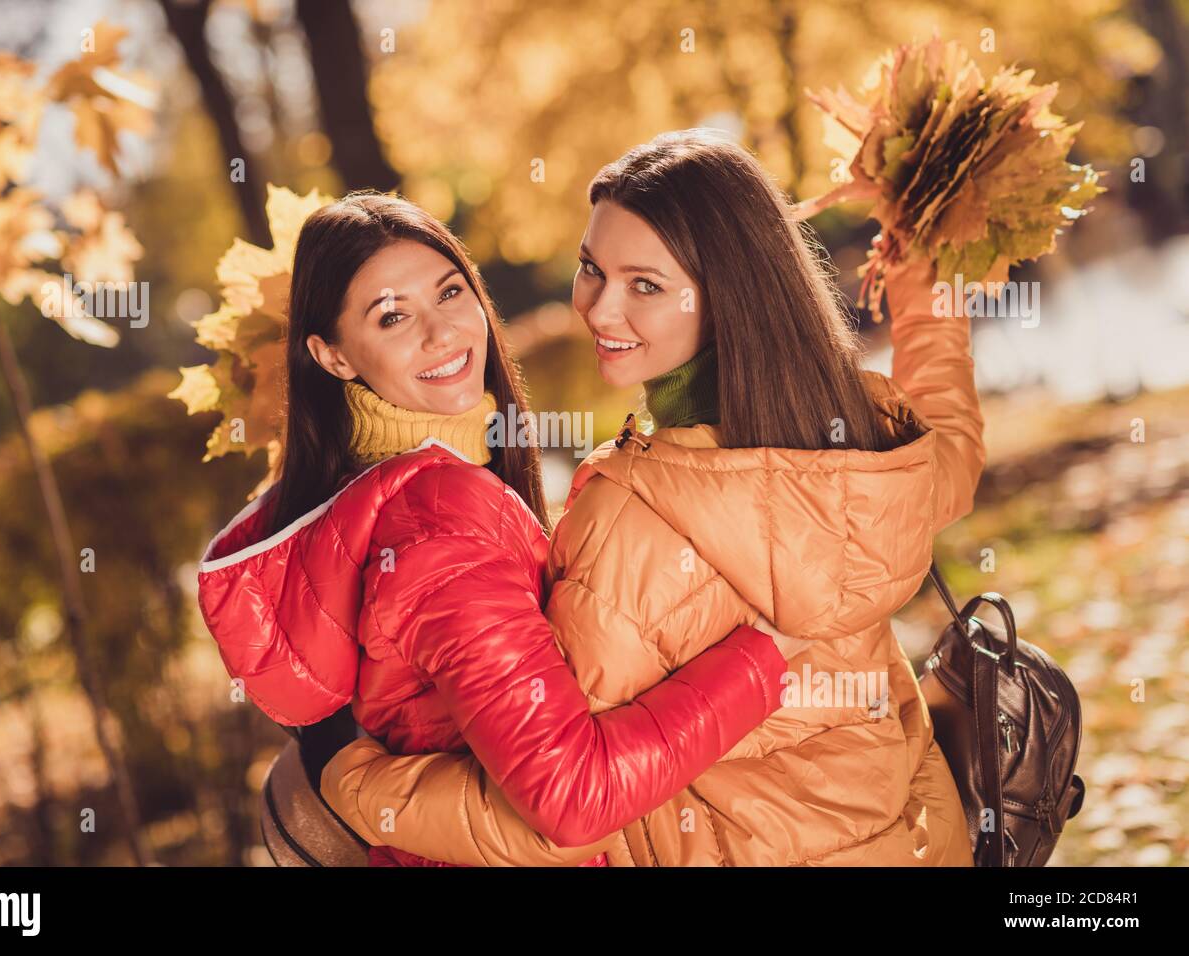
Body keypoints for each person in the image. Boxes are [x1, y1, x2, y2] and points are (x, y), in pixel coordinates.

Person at [317, 129, 985, 866]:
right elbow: (953, 442)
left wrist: (354, 783)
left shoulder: (631, 517)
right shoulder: (864, 441)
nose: (600, 311)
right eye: (591, 270)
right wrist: (923, 272)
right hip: (914, 837)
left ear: (725, 295)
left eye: (645, 286)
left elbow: (575, 809)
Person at [196, 191, 797, 867]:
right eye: (392, 316)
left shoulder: (391, 495)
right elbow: (574, 798)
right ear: (333, 357)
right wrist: (770, 658)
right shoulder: (438, 519)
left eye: (450, 292)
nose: (442, 333)